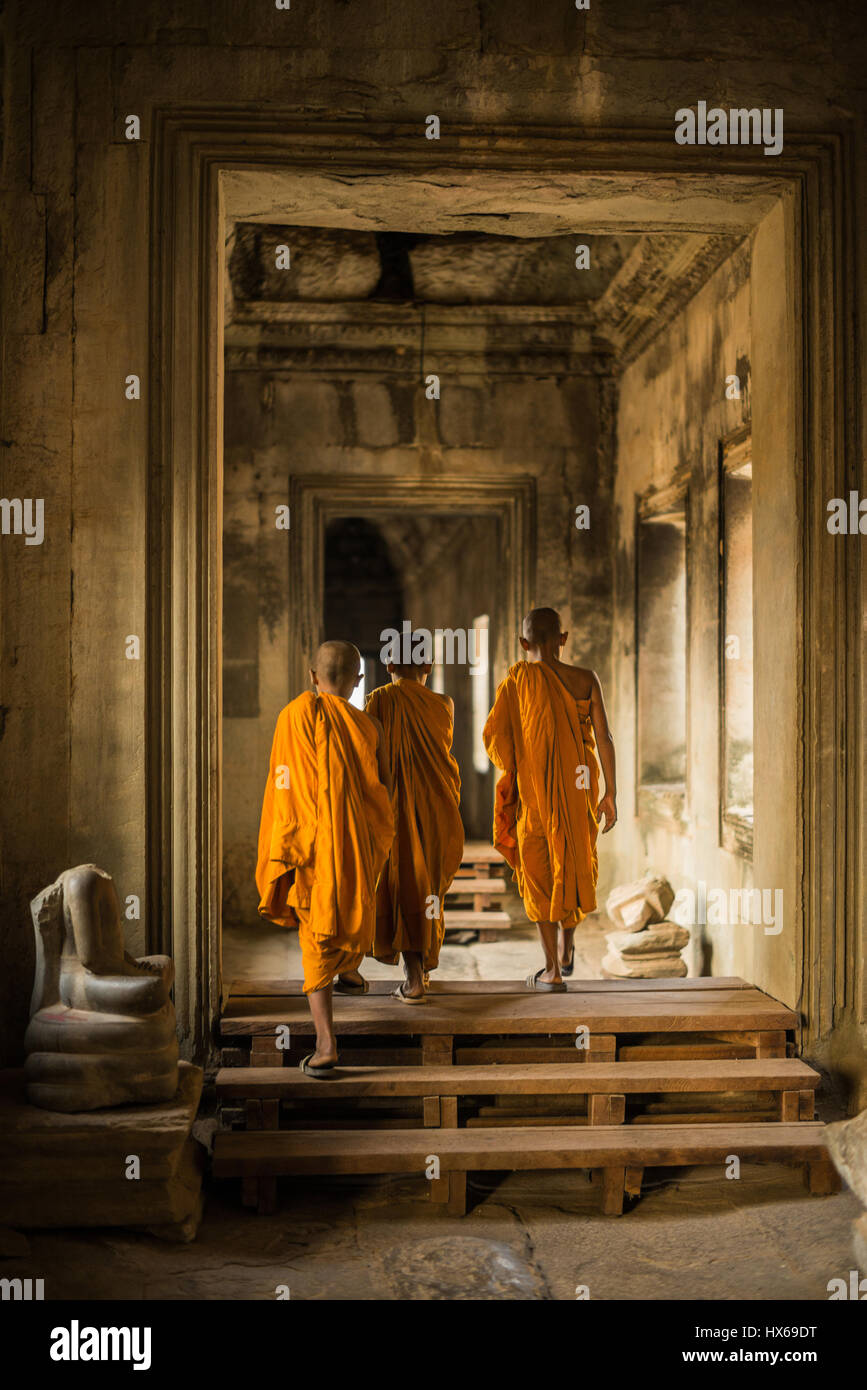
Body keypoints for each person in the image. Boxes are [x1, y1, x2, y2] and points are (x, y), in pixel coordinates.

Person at [255, 640, 393, 1075]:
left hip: (312, 846)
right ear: (358, 681)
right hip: (353, 843)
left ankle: (327, 1044)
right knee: (353, 903)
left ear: (312, 676)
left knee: (318, 930)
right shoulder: (368, 727)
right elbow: (380, 792)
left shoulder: (292, 716)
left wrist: (287, 837)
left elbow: (283, 783)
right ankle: (349, 966)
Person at [483, 607, 616, 990]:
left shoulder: (517, 680)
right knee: (573, 858)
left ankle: (551, 970)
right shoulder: (585, 679)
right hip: (581, 787)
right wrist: (611, 792)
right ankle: (568, 946)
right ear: (563, 638)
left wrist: (525, 760)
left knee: (539, 868)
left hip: (535, 792)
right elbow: (604, 738)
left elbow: (496, 739)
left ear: (524, 643)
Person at [365, 645, 464, 1003]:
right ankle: (420, 970)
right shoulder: (444, 703)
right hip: (438, 809)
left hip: (396, 807)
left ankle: (414, 976)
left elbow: (371, 754)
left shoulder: (378, 700)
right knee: (429, 887)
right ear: (429, 664)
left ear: (388, 663)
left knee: (405, 882)